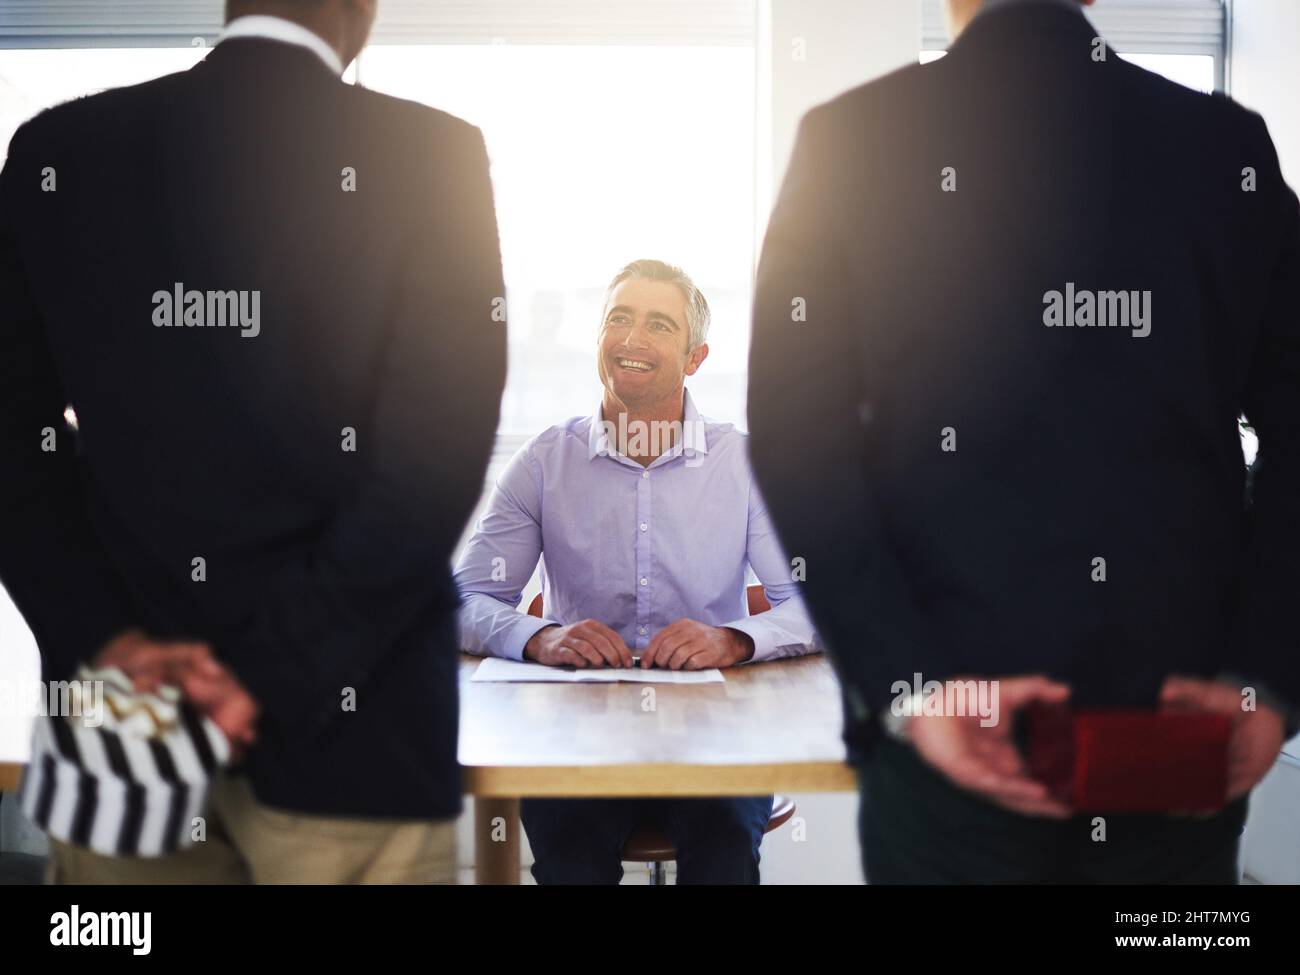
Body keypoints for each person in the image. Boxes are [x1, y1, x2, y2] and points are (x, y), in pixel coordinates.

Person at [748, 0, 1299, 883]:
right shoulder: (1224, 145)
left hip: (952, 746)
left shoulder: (848, 141)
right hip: (1174, 738)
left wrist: (911, 683)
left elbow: (794, 437)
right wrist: (1266, 676)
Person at [0, 0, 505, 883]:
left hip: (122, 723)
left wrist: (109, 642)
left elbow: (13, 436)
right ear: (362, 11)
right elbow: (433, 459)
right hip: (358, 730)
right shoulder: (434, 156)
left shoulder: (58, 151)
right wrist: (270, 674)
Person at [454, 259, 818, 884]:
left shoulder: (745, 464)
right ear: (599, 339)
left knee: (724, 862)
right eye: (618, 319)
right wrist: (539, 636)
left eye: (658, 325)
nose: (632, 339)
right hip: (576, 734)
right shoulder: (544, 462)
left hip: (713, 736)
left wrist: (732, 638)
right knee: (570, 866)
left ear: (696, 357)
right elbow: (462, 601)